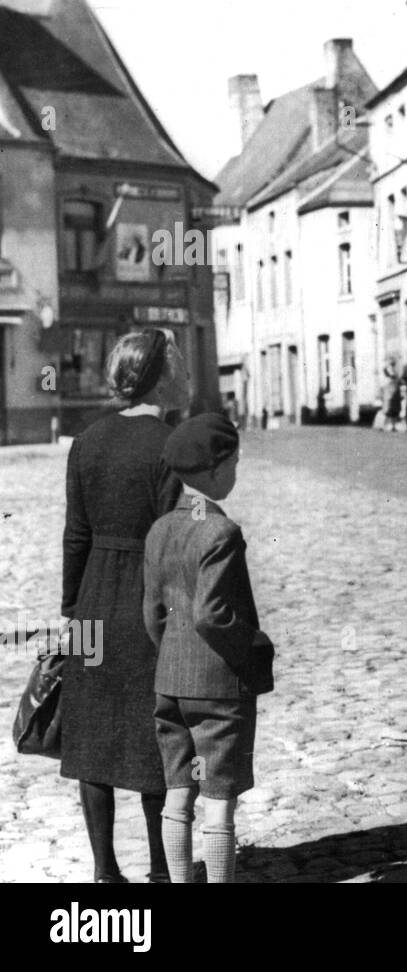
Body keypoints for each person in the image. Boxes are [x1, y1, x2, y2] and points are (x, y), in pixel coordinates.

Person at [60, 328, 190, 883]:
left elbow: (75, 535)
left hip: (92, 599)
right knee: (154, 729)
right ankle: (163, 868)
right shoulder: (169, 445)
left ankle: (105, 870)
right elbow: (170, 540)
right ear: (159, 375)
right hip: (146, 601)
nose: (185, 372)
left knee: (91, 732)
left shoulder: (86, 441)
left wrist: (71, 609)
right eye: (179, 364)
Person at [143, 413, 274, 884]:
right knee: (218, 803)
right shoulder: (221, 532)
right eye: (235, 463)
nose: (236, 472)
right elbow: (212, 614)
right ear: (217, 470)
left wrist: (174, 657)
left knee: (178, 794)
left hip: (170, 684)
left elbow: (153, 614)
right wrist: (253, 645)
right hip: (218, 688)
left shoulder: (159, 530)